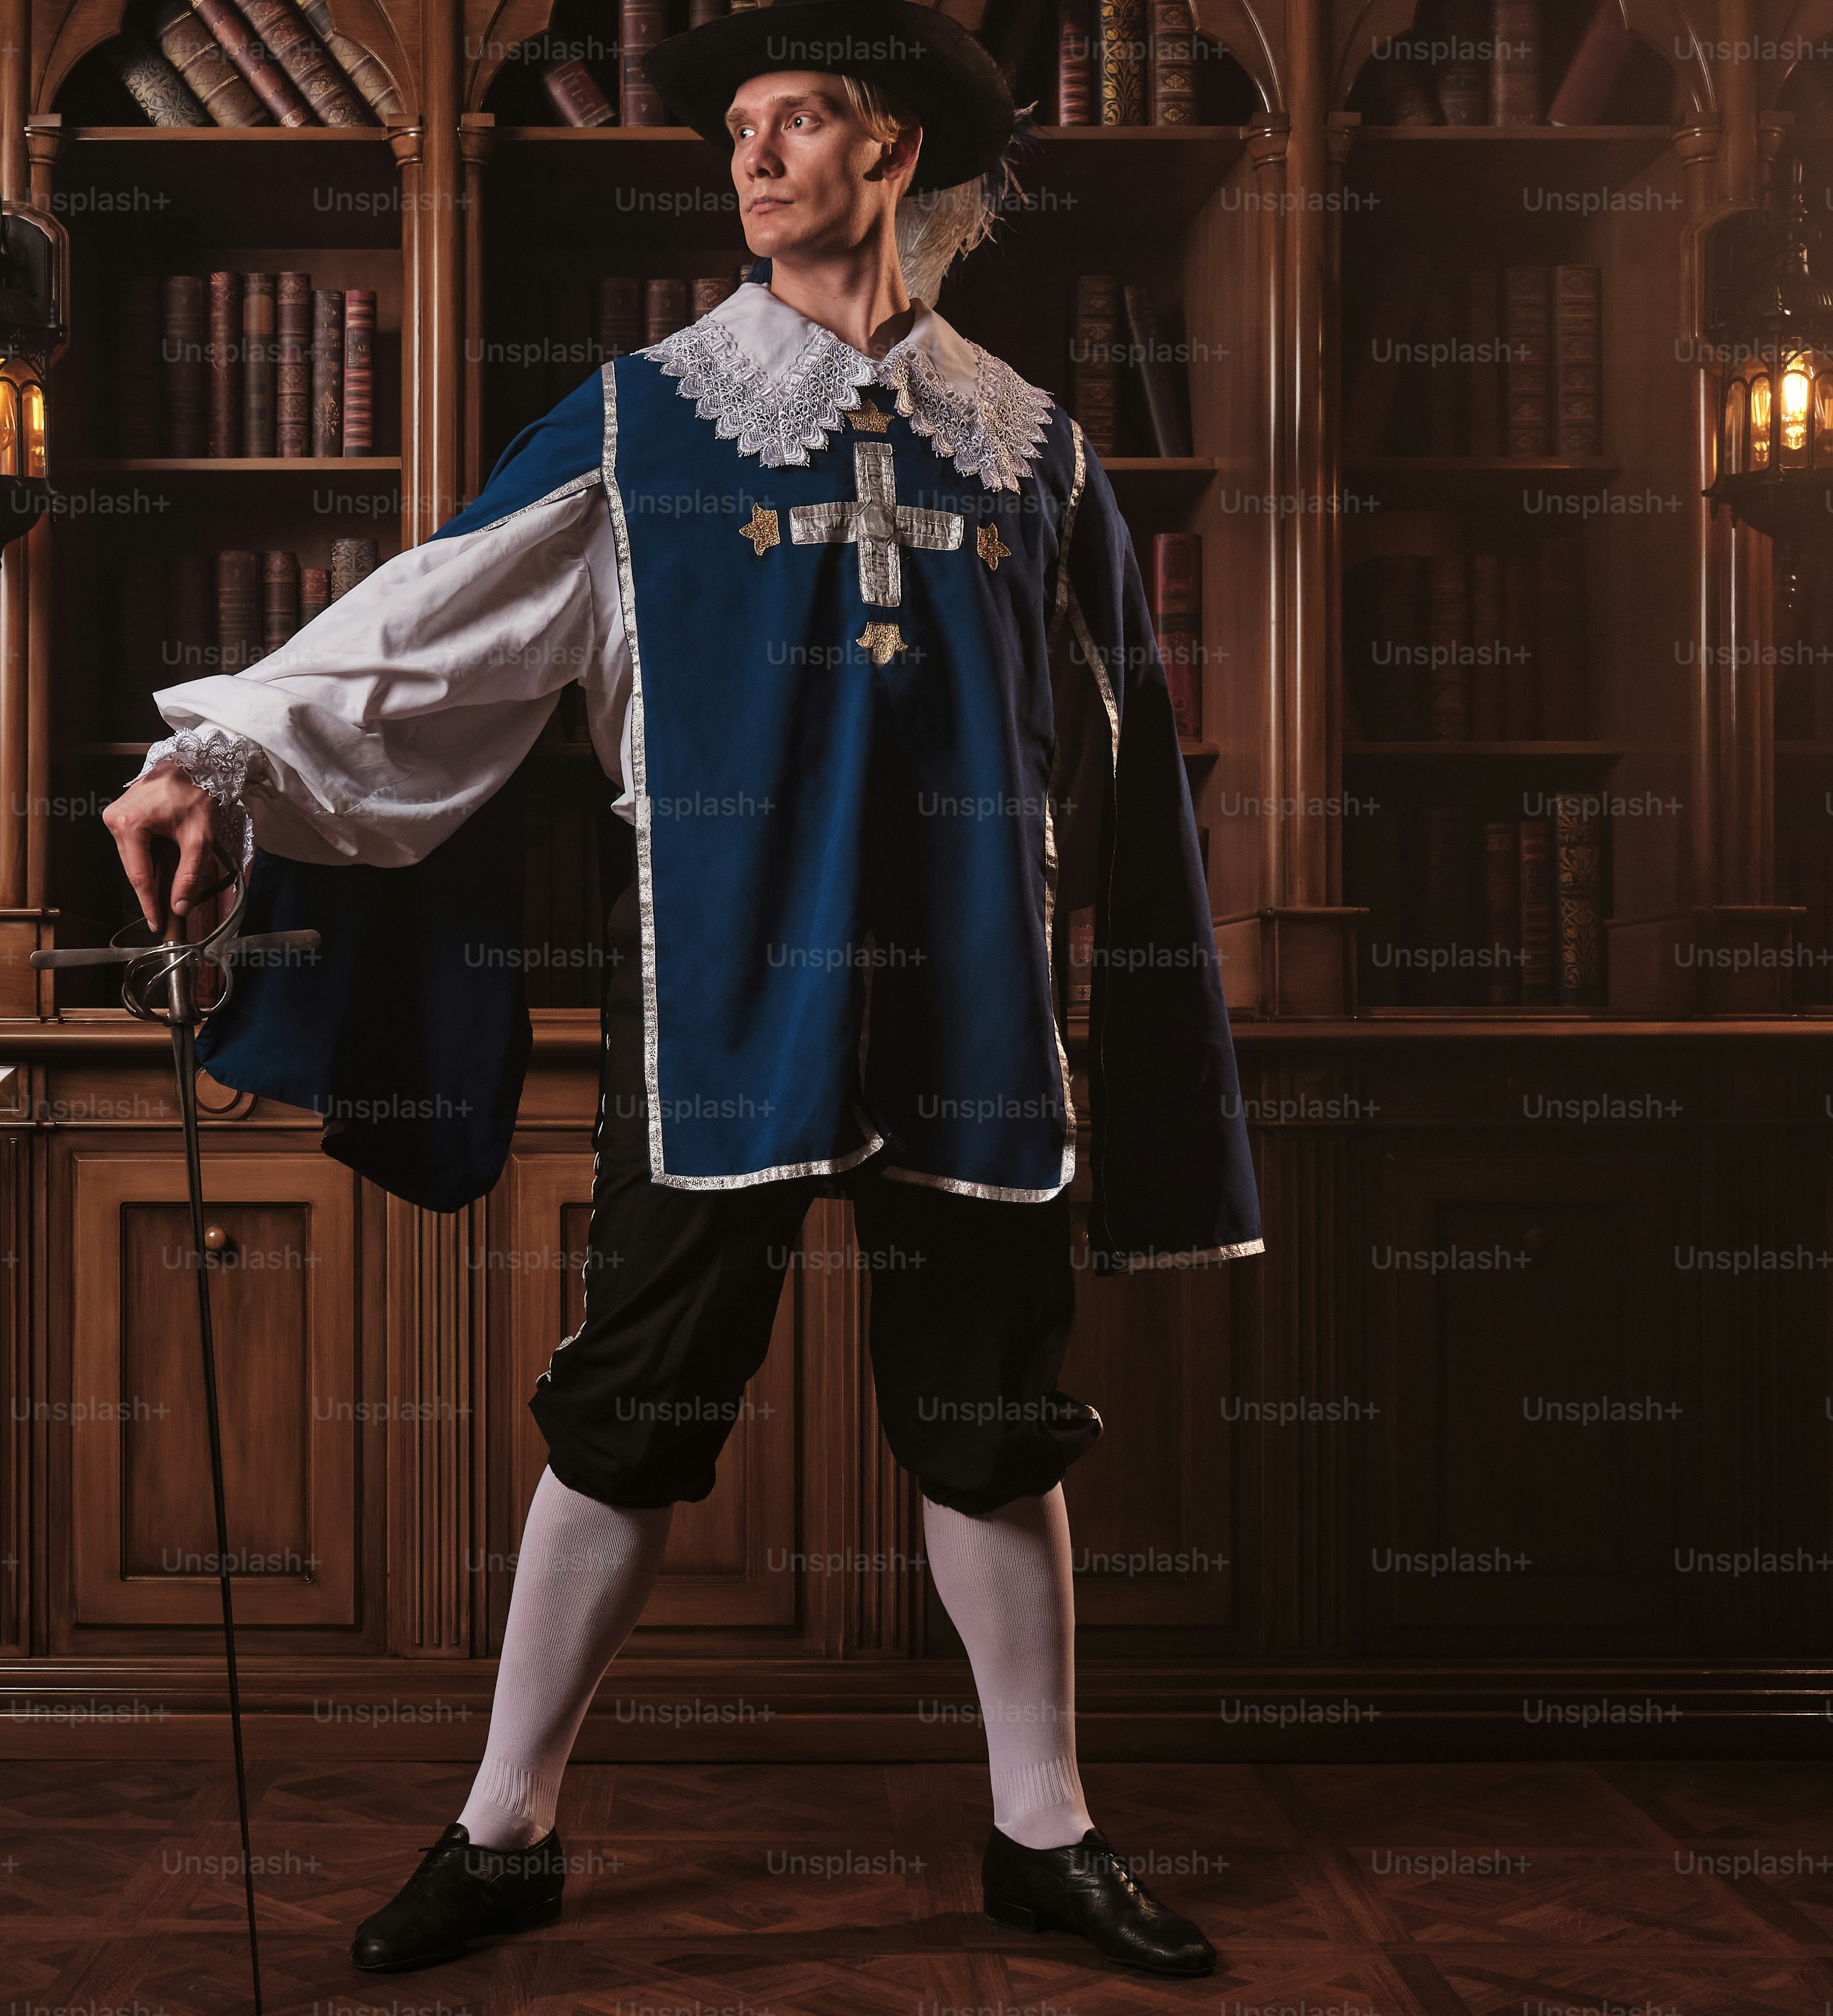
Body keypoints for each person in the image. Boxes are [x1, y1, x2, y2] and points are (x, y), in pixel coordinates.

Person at [98, 0, 1261, 1978]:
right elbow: (426, 628)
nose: (754, 158)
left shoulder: (1035, 448)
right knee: (628, 1411)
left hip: (975, 1013)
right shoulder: (646, 423)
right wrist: (213, 756)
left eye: (794, 122)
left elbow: (1121, 757)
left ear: (892, 150)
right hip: (722, 1004)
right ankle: (504, 1829)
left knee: (992, 1418)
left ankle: (1044, 1831)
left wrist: (1119, 1004)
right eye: (736, 130)